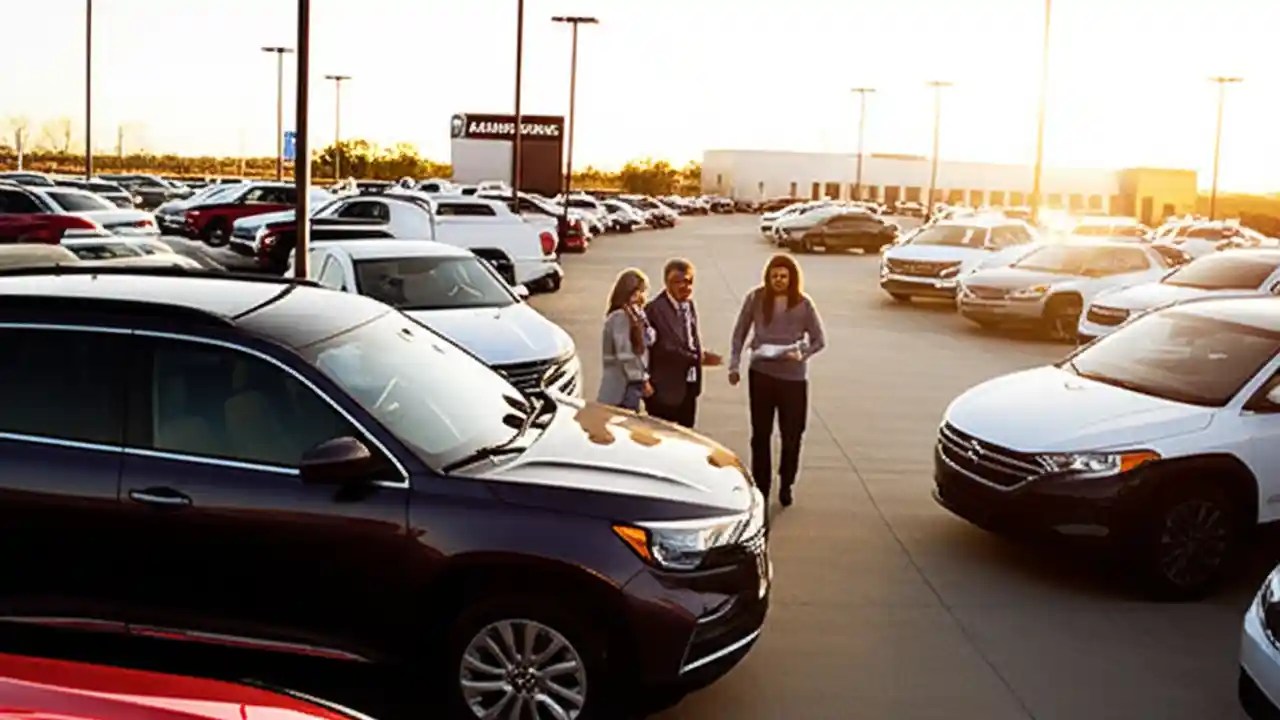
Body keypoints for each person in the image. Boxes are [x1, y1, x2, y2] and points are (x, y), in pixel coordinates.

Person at [728, 254, 826, 507]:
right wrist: (734, 364)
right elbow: (739, 332)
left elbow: (819, 340)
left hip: (793, 379)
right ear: (768, 277)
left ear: (792, 278)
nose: (779, 281)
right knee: (760, 434)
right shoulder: (756, 299)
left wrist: (801, 354)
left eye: (784, 276)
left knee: (792, 435)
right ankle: (762, 486)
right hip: (761, 375)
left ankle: (786, 483)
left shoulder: (803, 304)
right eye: (774, 276)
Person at [645, 258, 722, 428]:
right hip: (664, 390)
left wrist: (699, 356)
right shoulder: (654, 310)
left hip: (689, 385)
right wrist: (697, 358)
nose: (684, 286)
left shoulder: (689, 305)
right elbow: (664, 348)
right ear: (666, 283)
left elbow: (693, 339)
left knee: (687, 435)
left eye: (688, 281)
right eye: (677, 282)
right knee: (664, 439)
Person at [598, 268, 654, 411]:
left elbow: (651, 338)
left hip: (630, 384)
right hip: (622, 387)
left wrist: (642, 322)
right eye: (640, 291)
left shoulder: (635, 315)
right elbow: (626, 355)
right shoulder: (620, 317)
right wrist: (643, 379)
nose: (643, 296)